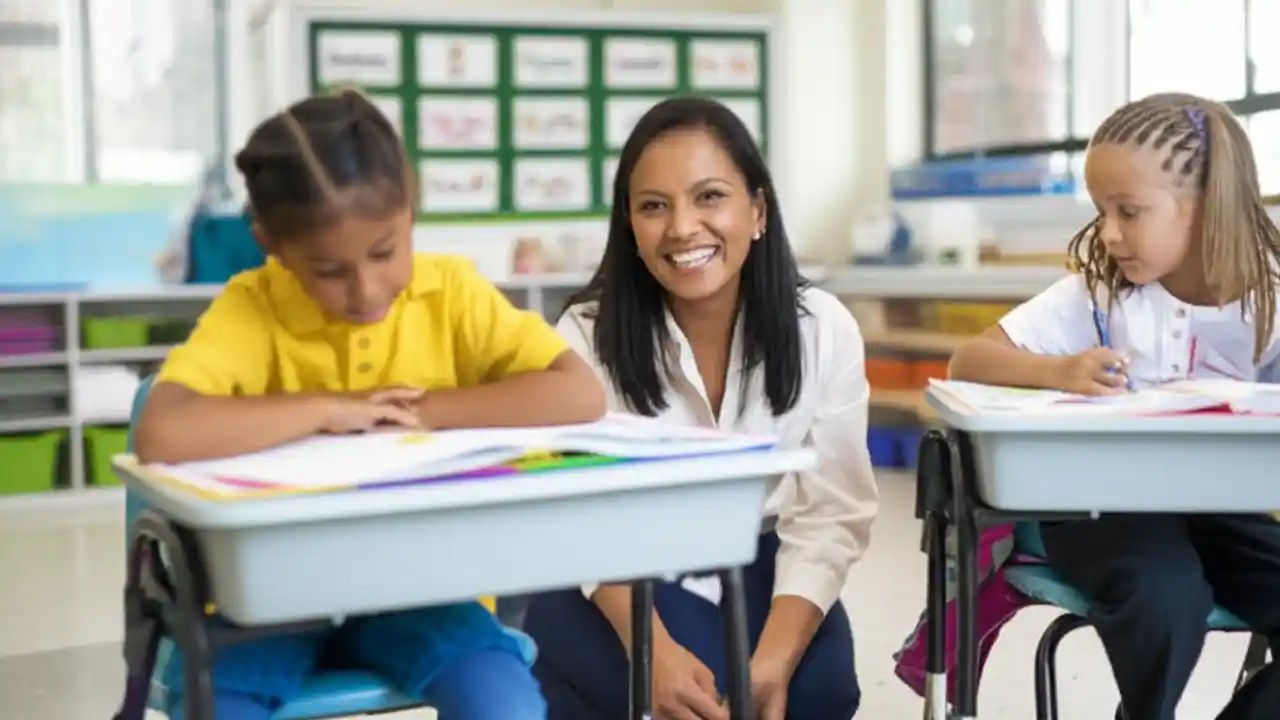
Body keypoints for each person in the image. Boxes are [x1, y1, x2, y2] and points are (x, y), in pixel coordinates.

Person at [134, 90, 607, 720]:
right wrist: (328, 409)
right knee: (219, 707)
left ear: (411, 210)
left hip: (421, 591)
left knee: (505, 704)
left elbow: (579, 391)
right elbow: (162, 431)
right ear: (270, 242)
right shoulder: (254, 306)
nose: (365, 289)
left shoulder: (452, 294)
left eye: (385, 252)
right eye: (329, 270)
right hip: (274, 598)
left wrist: (428, 410)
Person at [522, 96, 879, 720]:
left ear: (758, 210)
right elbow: (579, 516)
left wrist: (774, 660)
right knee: (677, 693)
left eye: (709, 196)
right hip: (627, 566)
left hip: (763, 559)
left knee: (820, 694)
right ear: (630, 227)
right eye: (654, 206)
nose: (683, 228)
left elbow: (830, 515)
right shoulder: (584, 333)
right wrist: (652, 652)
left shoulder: (823, 329)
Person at [949, 92, 1280, 720]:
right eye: (1103, 211)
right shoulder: (1100, 295)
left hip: (1223, 511)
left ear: (1206, 206)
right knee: (1165, 599)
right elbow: (969, 361)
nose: (1108, 233)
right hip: (1101, 508)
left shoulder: (1269, 293)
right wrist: (1058, 370)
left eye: (1128, 211)